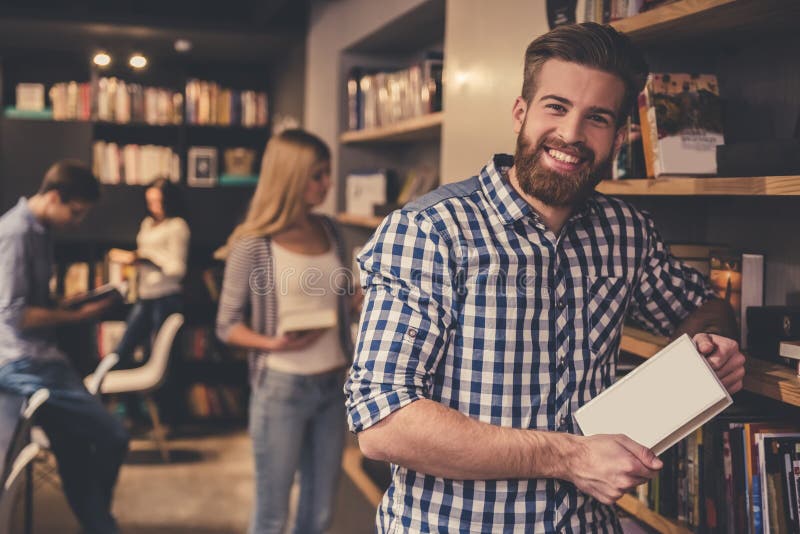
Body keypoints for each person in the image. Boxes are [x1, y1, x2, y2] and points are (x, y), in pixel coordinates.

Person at [344, 23, 746, 533]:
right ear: (521, 113)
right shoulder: (429, 230)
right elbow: (384, 427)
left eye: (597, 118)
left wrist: (712, 347)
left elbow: (704, 305)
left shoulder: (627, 232)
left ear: (619, 137)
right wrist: (569, 457)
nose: (572, 135)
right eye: (555, 107)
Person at [215, 129, 357, 534]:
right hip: (281, 389)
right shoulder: (253, 243)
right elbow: (227, 325)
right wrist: (272, 342)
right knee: (272, 514)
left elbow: (339, 297)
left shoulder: (330, 230)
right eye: (318, 175)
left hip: (333, 385)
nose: (327, 184)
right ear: (290, 176)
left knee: (321, 512)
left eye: (327, 174)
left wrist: (357, 299)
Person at [0, 160, 130, 534]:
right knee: (112, 436)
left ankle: (100, 525)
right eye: (75, 212)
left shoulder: (41, 232)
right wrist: (77, 317)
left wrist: (70, 304)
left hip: (44, 358)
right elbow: (15, 316)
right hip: (23, 362)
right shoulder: (15, 234)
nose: (77, 222)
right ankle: (101, 523)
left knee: (74, 454)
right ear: (54, 197)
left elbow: (34, 302)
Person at [108, 177, 190, 368]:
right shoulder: (147, 224)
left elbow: (177, 268)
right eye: (150, 202)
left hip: (166, 296)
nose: (154, 207)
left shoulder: (177, 226)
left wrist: (148, 260)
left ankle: (162, 397)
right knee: (126, 347)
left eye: (158, 202)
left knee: (163, 356)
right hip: (145, 294)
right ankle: (127, 395)